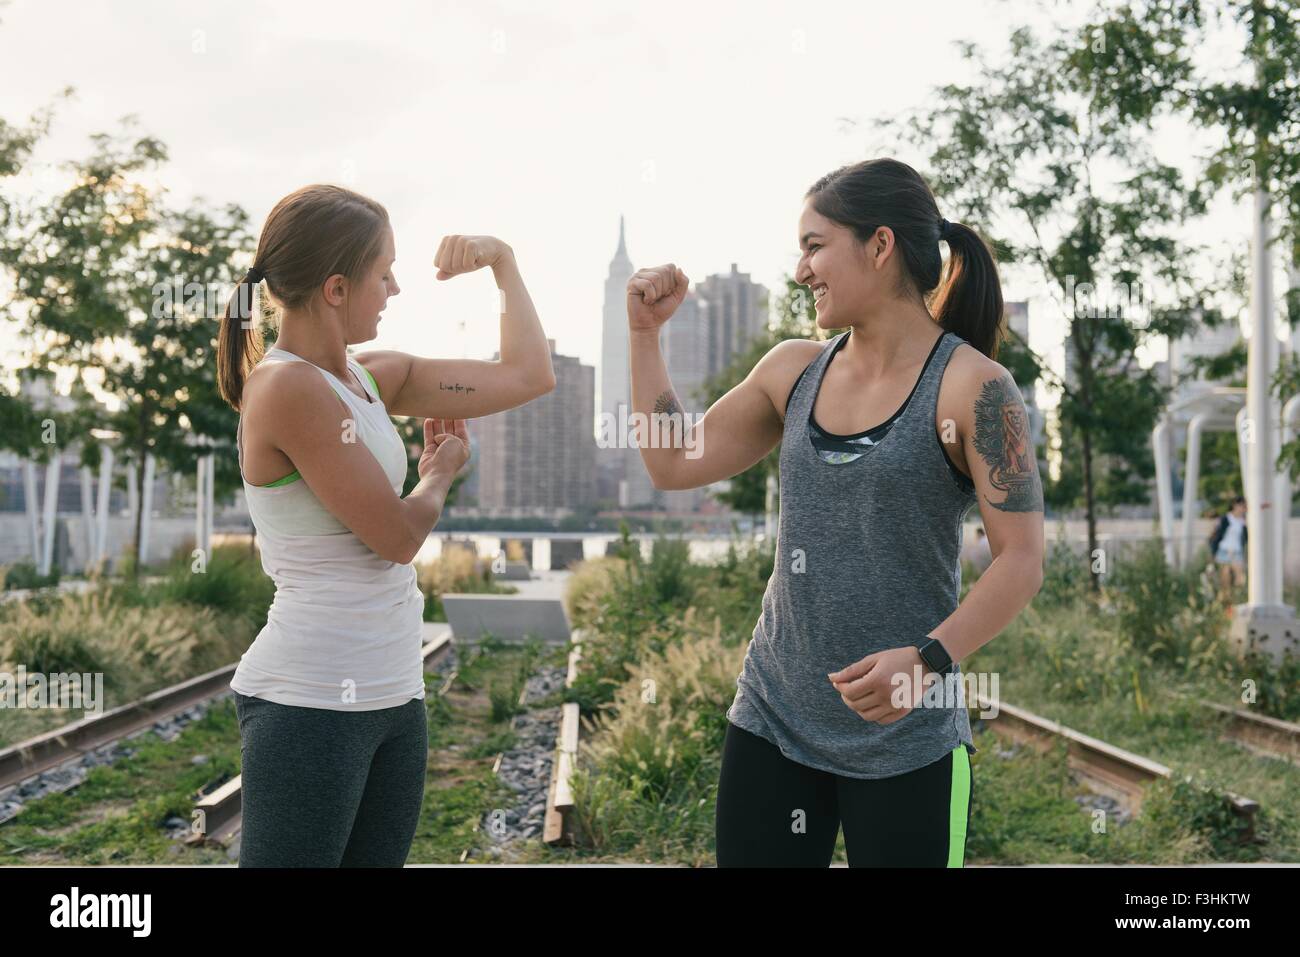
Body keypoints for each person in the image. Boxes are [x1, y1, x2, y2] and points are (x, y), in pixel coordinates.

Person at [626, 158, 1045, 867]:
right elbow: (674, 462)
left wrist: (927, 660)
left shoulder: (975, 387)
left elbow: (1022, 559)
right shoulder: (791, 371)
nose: (800, 270)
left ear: (879, 246)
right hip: (772, 720)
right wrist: (644, 337)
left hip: (907, 737)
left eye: (815, 245)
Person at [216, 184, 555, 866]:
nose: (395, 287)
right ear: (337, 288)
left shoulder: (371, 378)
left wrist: (505, 263)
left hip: (394, 692)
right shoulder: (287, 387)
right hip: (309, 701)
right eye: (384, 272)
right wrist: (440, 470)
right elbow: (396, 537)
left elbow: (528, 374)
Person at [1208, 495, 1247, 594]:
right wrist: (1213, 551)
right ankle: (1226, 601)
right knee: (1225, 579)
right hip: (1224, 550)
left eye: (1244, 506)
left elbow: (1244, 538)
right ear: (1235, 505)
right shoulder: (1226, 518)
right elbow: (1217, 534)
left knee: (1240, 578)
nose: (1242, 508)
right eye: (1240, 505)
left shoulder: (1243, 521)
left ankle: (1237, 596)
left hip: (1237, 551)